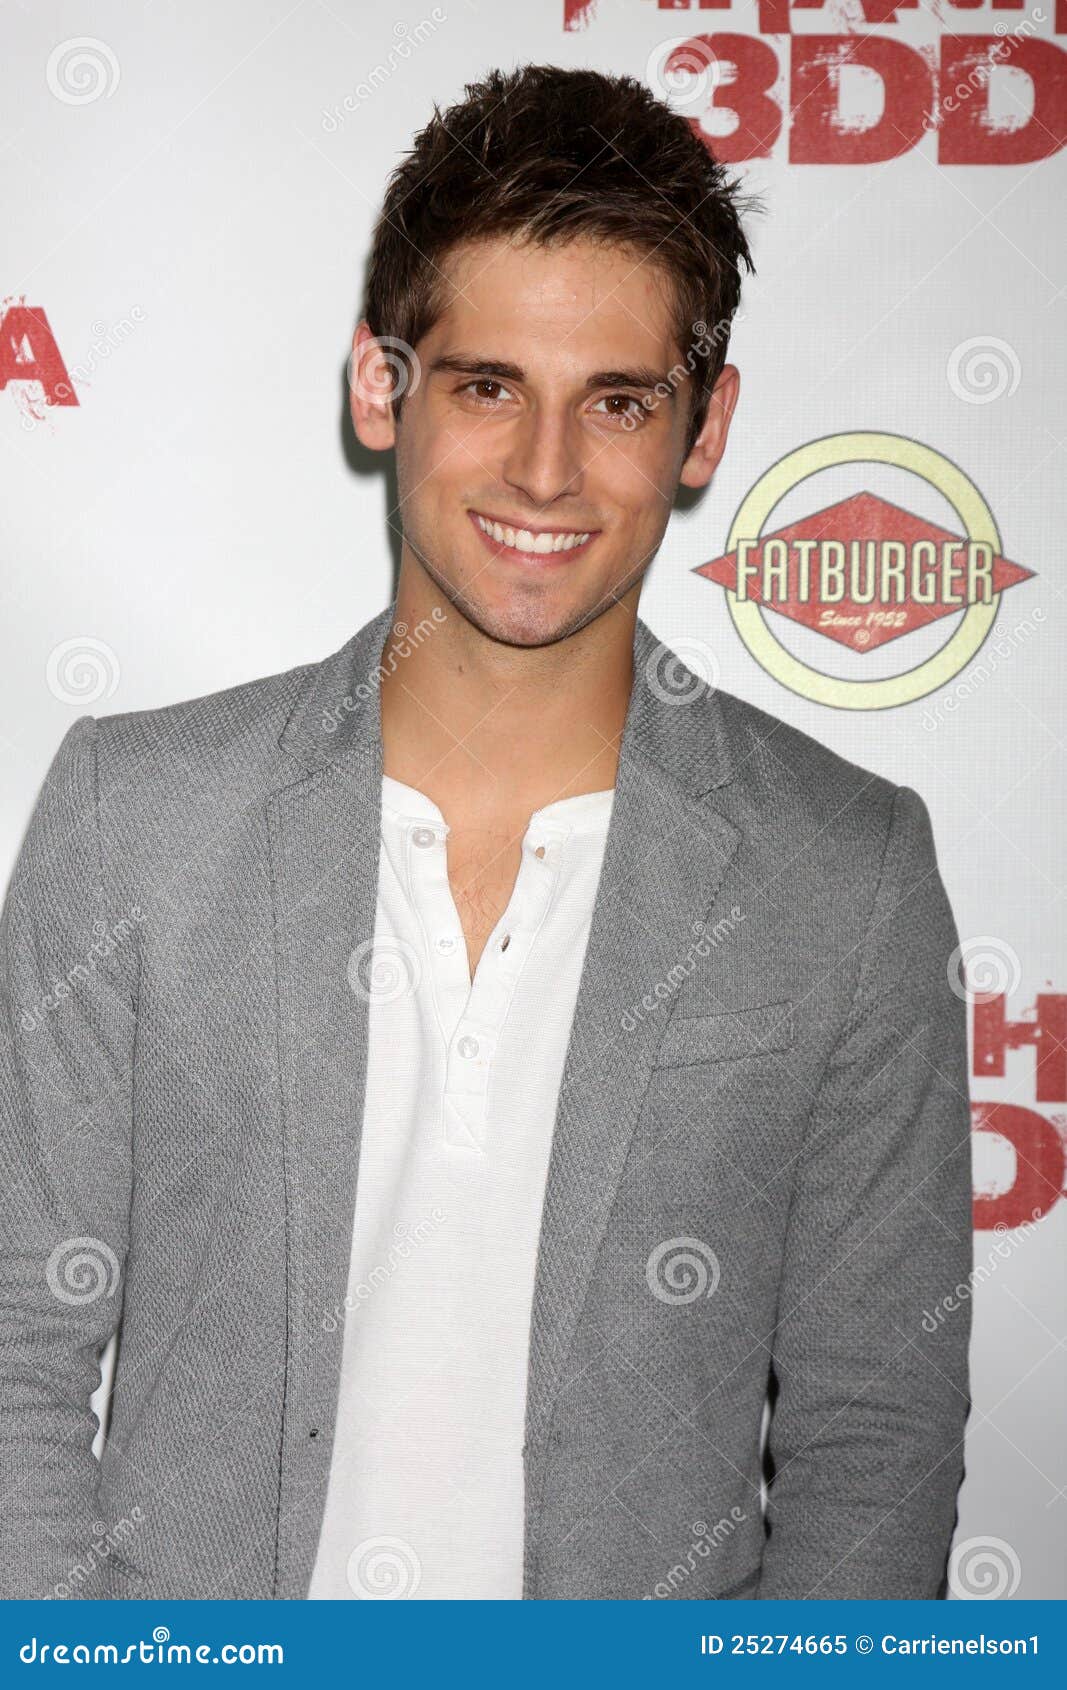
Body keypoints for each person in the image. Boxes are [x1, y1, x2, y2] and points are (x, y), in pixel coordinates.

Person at [0, 63, 972, 1602]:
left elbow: (876, 1436)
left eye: (618, 402)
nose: (543, 470)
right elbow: (14, 1353)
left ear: (704, 427)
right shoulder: (137, 817)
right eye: (486, 384)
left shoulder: (843, 876)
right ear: (382, 389)